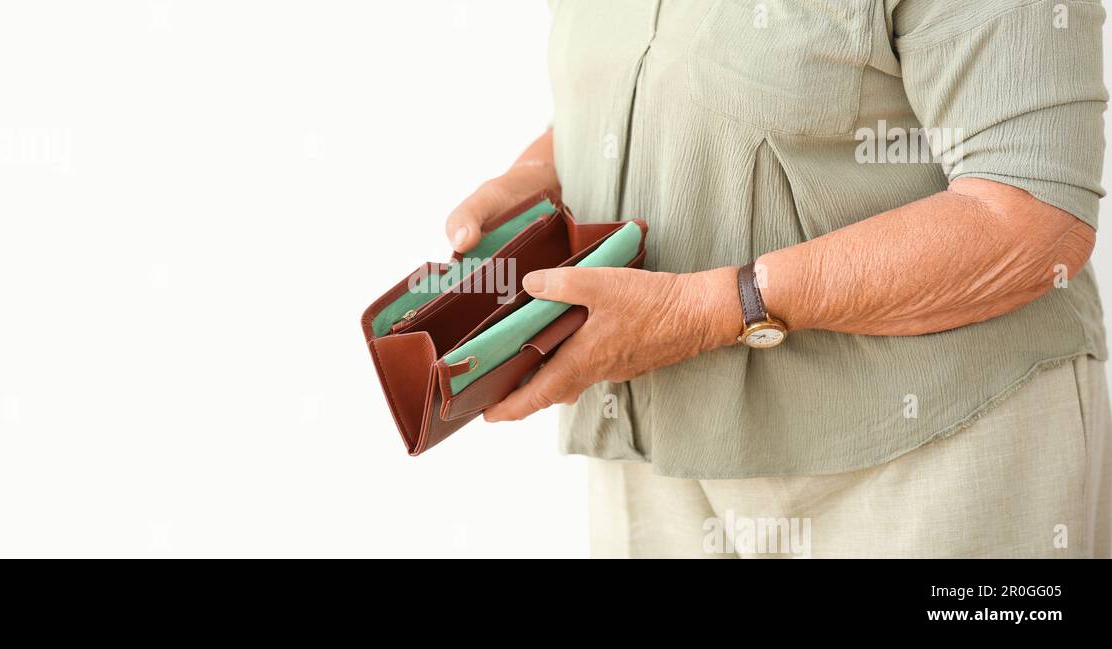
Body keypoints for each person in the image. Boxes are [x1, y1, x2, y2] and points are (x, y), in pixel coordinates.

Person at [444, 0, 1112, 557]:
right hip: (653, 462)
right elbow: (655, 86)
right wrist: (536, 182)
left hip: (926, 455)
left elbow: (1033, 213)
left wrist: (709, 308)